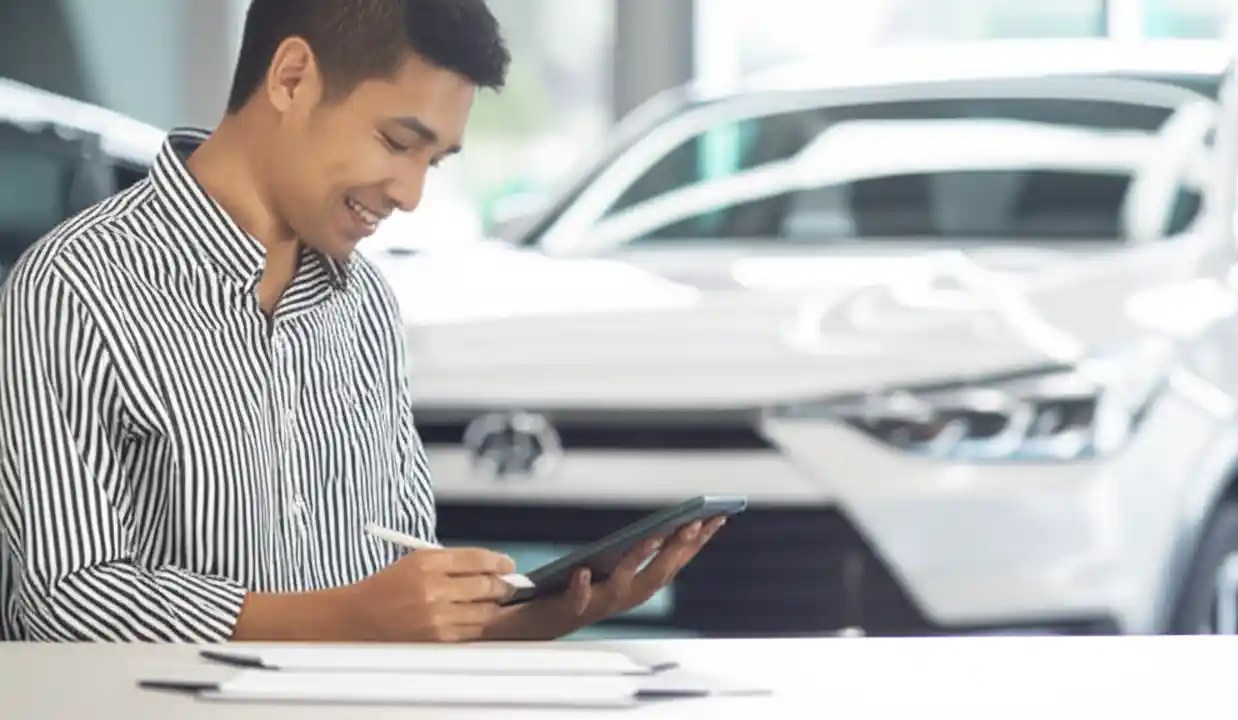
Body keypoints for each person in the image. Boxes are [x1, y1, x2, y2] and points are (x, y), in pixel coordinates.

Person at [0, 0, 724, 642]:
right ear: (290, 78)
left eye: (433, 162)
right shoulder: (72, 289)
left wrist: (549, 614)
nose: (410, 194)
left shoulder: (367, 307)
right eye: (397, 143)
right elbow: (62, 598)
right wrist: (342, 618)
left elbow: (395, 580)